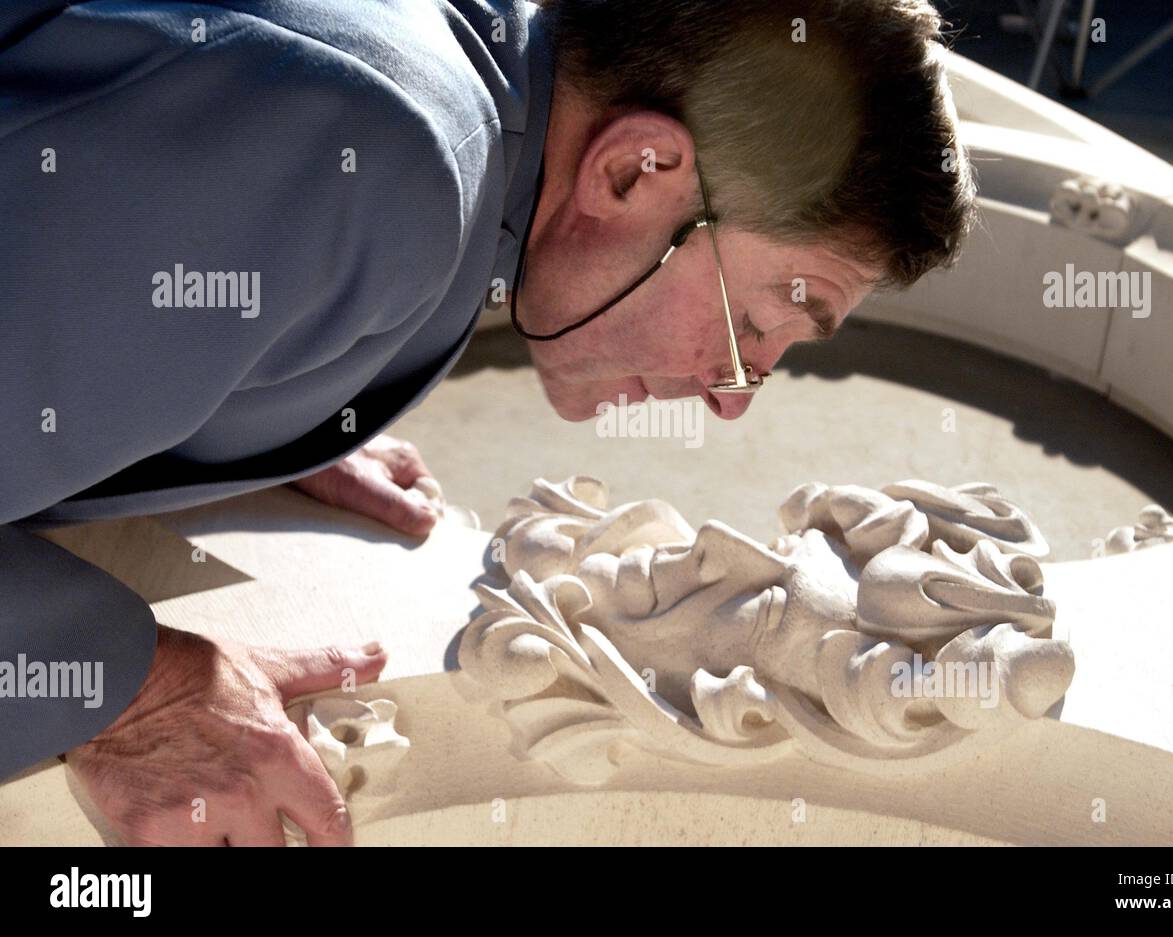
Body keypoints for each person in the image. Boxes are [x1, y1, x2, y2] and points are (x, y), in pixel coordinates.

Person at [0, 0, 974, 844]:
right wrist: (132, 690)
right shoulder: (376, 155)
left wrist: (257, 399)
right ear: (637, 169)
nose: (729, 393)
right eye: (755, 324)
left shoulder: (433, 104)